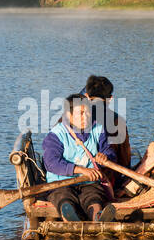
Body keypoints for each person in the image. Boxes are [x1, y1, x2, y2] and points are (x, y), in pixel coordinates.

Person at [42, 94, 114, 222]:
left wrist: (105, 157)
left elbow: (110, 152)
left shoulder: (98, 130)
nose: (85, 117)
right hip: (61, 183)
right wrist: (80, 170)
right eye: (80, 113)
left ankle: (98, 218)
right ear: (69, 116)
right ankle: (71, 219)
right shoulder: (56, 134)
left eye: (87, 112)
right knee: (64, 198)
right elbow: (51, 162)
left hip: (89, 182)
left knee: (94, 197)